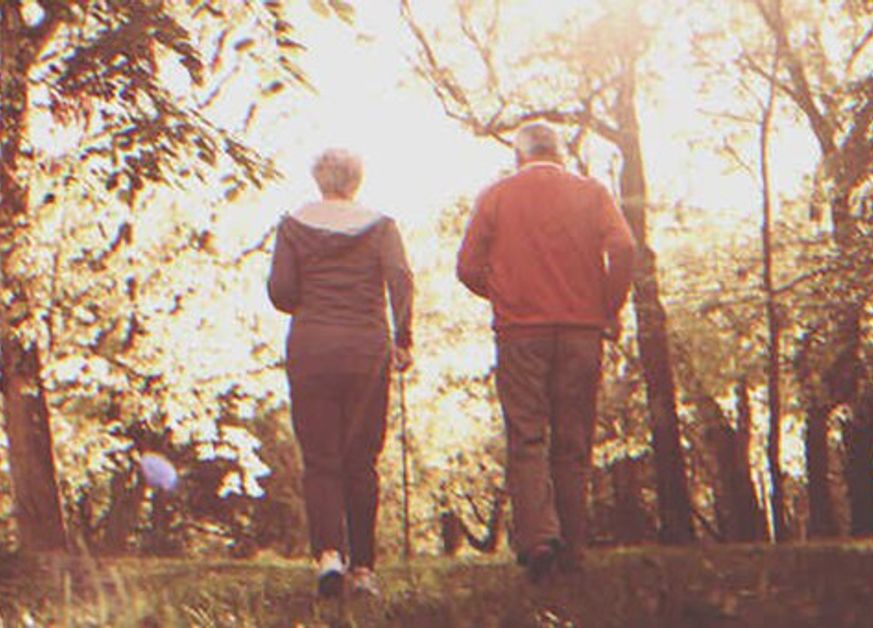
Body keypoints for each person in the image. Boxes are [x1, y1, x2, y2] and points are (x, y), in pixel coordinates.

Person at [456, 123, 636, 582]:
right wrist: (607, 305)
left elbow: (467, 267)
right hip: (581, 331)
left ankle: (538, 541)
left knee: (528, 437)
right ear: (560, 154)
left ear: (520, 156)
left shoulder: (496, 195)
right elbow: (624, 246)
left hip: (520, 333)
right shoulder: (592, 193)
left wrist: (504, 293)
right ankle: (573, 550)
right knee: (574, 442)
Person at [267, 148, 414, 598]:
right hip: (365, 349)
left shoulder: (293, 226)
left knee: (321, 459)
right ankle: (365, 569)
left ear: (319, 180)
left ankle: (330, 556)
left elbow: (282, 292)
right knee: (361, 459)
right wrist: (403, 337)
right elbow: (401, 278)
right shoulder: (381, 225)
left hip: (312, 348)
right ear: (357, 180)